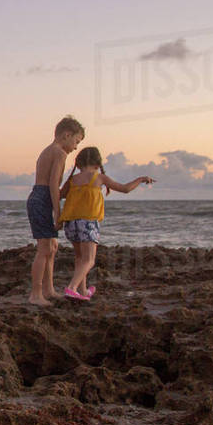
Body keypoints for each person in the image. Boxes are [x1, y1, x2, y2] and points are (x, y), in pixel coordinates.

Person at [57, 146, 154, 300]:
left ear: (79, 163)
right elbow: (125, 189)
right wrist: (141, 179)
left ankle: (82, 292)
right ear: (97, 164)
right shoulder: (99, 177)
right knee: (89, 260)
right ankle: (71, 287)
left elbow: (60, 195)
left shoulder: (72, 179)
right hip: (88, 222)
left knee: (80, 259)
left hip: (71, 222)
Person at [26, 115, 84, 306]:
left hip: (39, 197)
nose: (76, 147)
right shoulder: (59, 153)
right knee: (44, 249)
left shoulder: (48, 151)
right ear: (66, 135)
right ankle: (36, 294)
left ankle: (48, 290)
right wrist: (58, 214)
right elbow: (52, 185)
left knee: (52, 247)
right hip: (42, 198)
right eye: (76, 141)